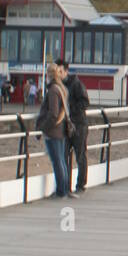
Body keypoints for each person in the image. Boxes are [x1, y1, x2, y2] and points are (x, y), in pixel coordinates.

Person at [38, 63, 72, 199]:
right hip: (61, 129)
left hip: (54, 131)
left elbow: (53, 113)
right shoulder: (62, 89)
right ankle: (63, 189)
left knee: (57, 161)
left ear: (49, 75)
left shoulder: (53, 90)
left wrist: (44, 127)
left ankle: (60, 191)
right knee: (61, 161)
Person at [57, 58, 89, 194]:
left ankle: (80, 185)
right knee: (64, 156)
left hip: (79, 125)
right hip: (66, 126)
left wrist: (70, 109)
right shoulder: (58, 85)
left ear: (66, 71)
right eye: (56, 71)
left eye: (60, 71)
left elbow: (85, 102)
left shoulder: (76, 84)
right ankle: (66, 185)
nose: (58, 74)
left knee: (80, 155)